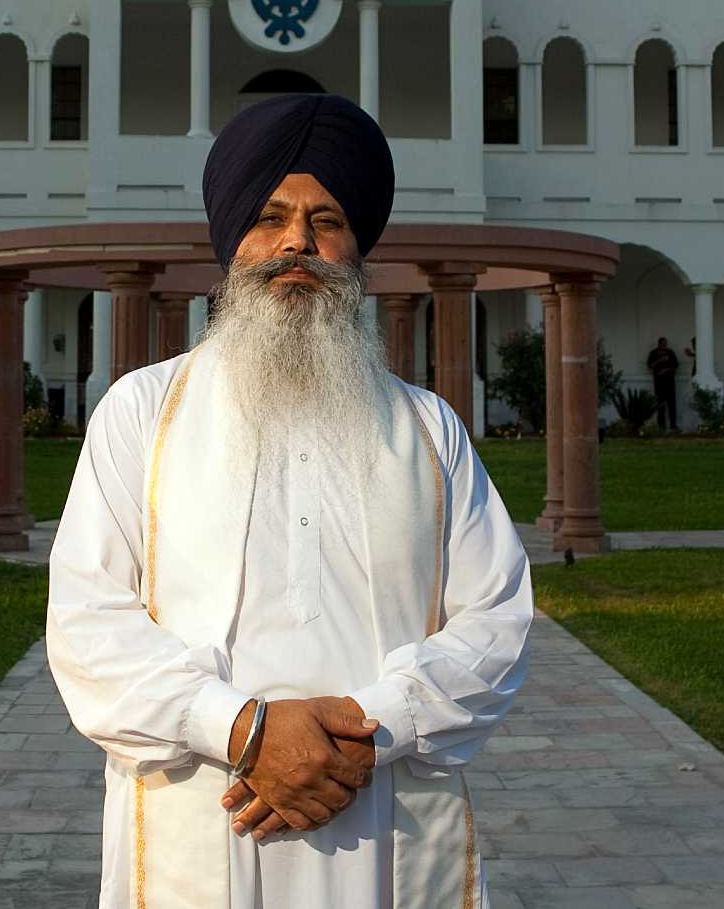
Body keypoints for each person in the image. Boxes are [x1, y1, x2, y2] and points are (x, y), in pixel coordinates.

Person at [47, 93, 533, 908]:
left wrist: (361, 730)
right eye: (270, 216)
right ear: (231, 241)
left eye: (327, 220)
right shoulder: (142, 413)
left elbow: (498, 620)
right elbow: (87, 623)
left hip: (384, 812)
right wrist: (244, 731)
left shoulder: (428, 429)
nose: (296, 242)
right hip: (204, 815)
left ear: (357, 250)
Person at [646, 335, 680, 431]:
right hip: (659, 382)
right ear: (659, 344)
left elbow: (676, 365)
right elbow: (650, 365)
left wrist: (666, 370)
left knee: (671, 405)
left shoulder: (670, 352)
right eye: (663, 344)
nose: (665, 346)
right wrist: (659, 360)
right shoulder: (653, 353)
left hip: (669, 382)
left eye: (666, 344)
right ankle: (661, 426)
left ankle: (673, 425)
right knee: (660, 405)